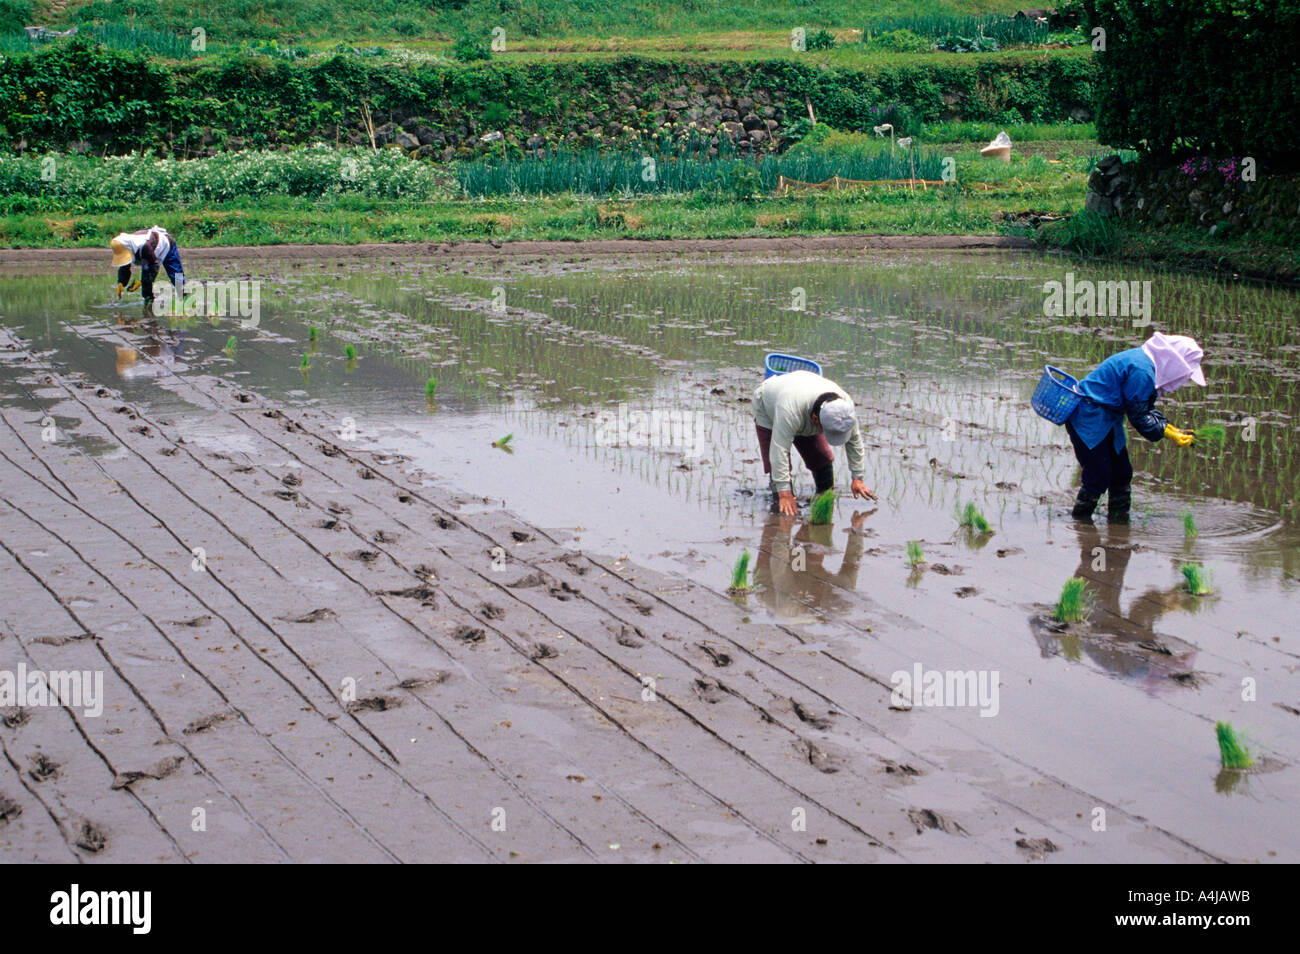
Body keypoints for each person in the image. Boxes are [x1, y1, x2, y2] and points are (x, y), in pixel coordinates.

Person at [1065, 332, 1204, 522]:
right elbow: (1138, 416)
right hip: (1089, 416)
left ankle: (1119, 522)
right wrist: (1167, 434)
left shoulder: (1147, 364)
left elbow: (1144, 407)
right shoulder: (1142, 371)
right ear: (1175, 364)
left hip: (1107, 417)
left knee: (1122, 473)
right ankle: (1081, 524)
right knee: (1098, 475)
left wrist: (1172, 429)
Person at [751, 368, 876, 515]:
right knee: (777, 471)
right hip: (768, 406)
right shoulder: (790, 410)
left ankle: (822, 500)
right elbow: (779, 449)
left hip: (803, 398)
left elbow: (854, 441)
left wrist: (858, 477)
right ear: (816, 419)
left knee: (821, 458)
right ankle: (780, 507)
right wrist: (784, 493)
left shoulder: (845, 408)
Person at [110, 226, 185, 304]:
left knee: (176, 274)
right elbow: (125, 266)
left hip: (166, 244)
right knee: (146, 282)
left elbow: (153, 267)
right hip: (147, 252)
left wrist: (141, 282)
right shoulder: (126, 246)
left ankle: (184, 295)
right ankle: (149, 301)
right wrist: (121, 282)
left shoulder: (145, 246)